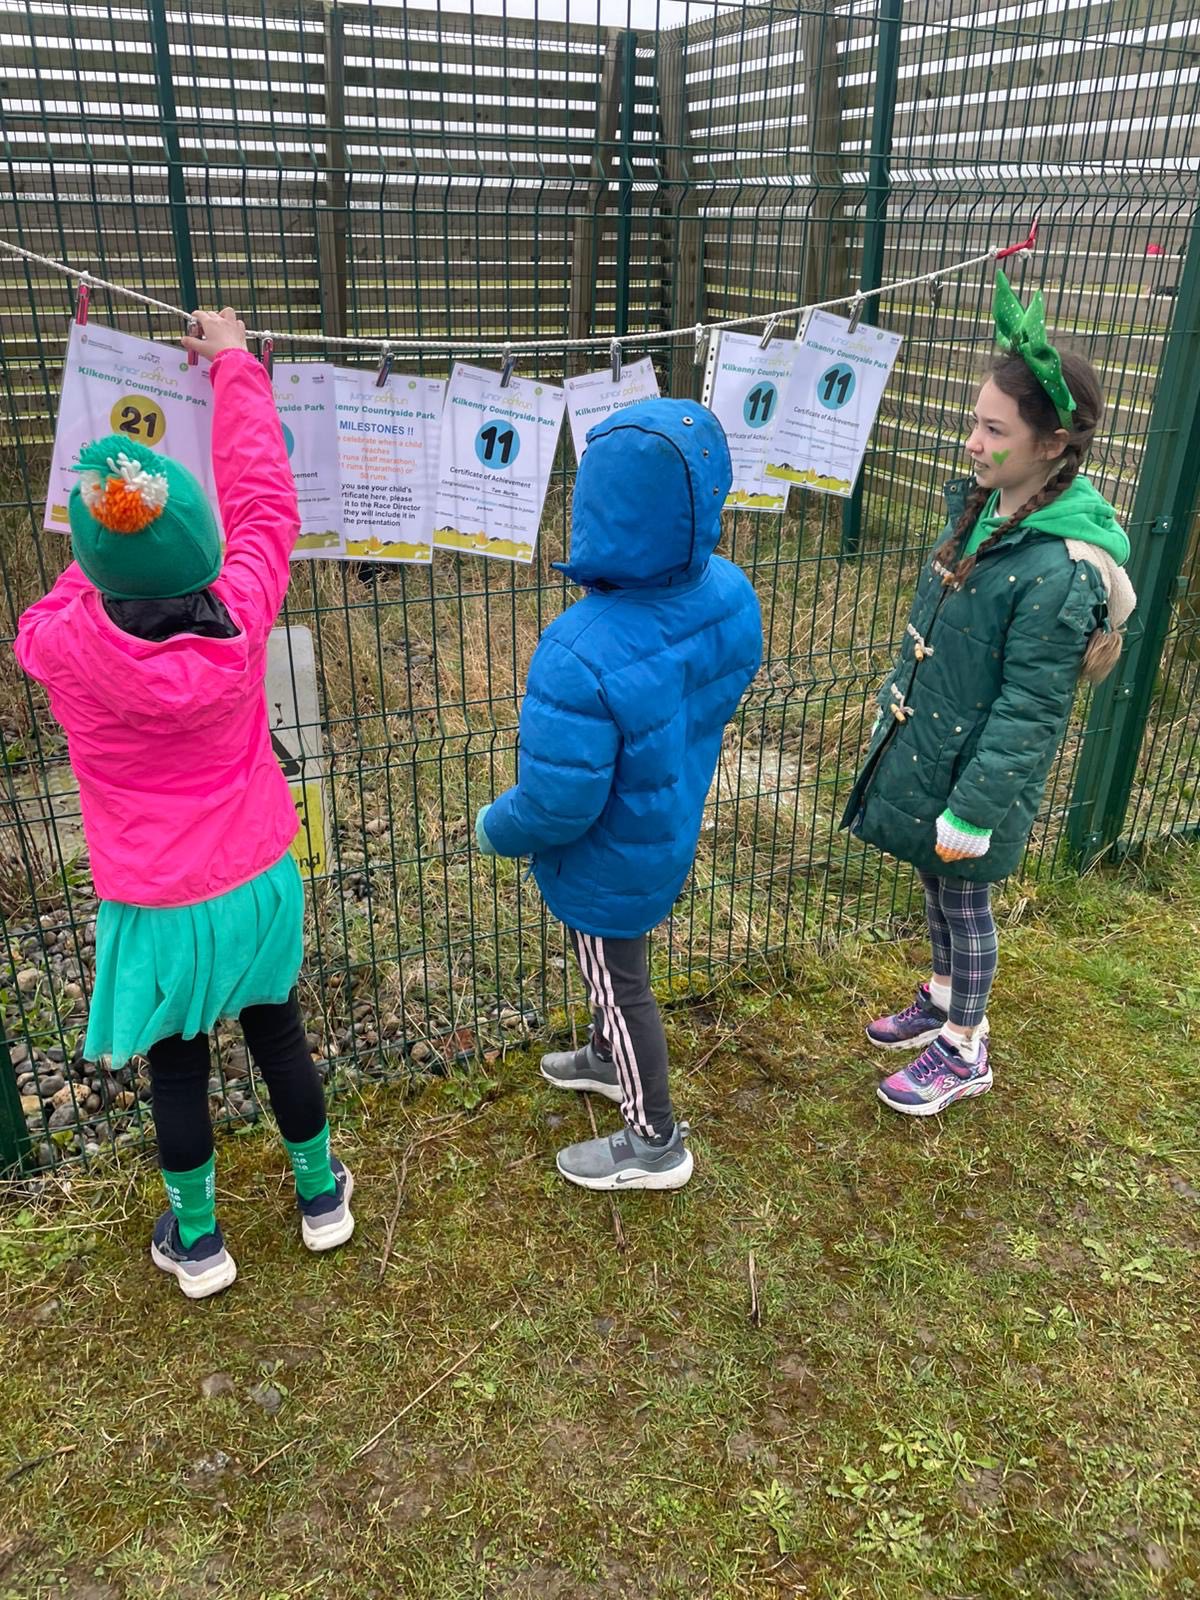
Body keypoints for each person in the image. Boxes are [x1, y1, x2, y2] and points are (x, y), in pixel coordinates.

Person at [14, 308, 354, 1297]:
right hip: (256, 883)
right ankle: (321, 1193)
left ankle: (198, 1241)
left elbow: (43, 617)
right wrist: (237, 369)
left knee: (178, 1069)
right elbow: (265, 501)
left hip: (157, 906)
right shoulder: (244, 604)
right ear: (205, 544)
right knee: (279, 1031)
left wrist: (107, 537)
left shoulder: (66, 644)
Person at [843, 272, 1136, 1117]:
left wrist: (975, 808)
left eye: (992, 428)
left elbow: (1031, 709)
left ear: (1050, 445)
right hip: (940, 750)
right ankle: (941, 996)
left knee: (966, 901)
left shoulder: (1057, 569)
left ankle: (965, 1046)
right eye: (974, 421)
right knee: (936, 886)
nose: (972, 441)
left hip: (981, 778)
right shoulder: (990, 509)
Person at [475, 398, 762, 1190]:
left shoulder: (578, 651)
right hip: (665, 819)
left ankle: (654, 1139)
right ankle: (605, 1059)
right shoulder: (729, 594)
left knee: (618, 978)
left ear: (596, 507)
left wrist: (496, 827)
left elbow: (556, 805)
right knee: (612, 969)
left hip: (604, 860)